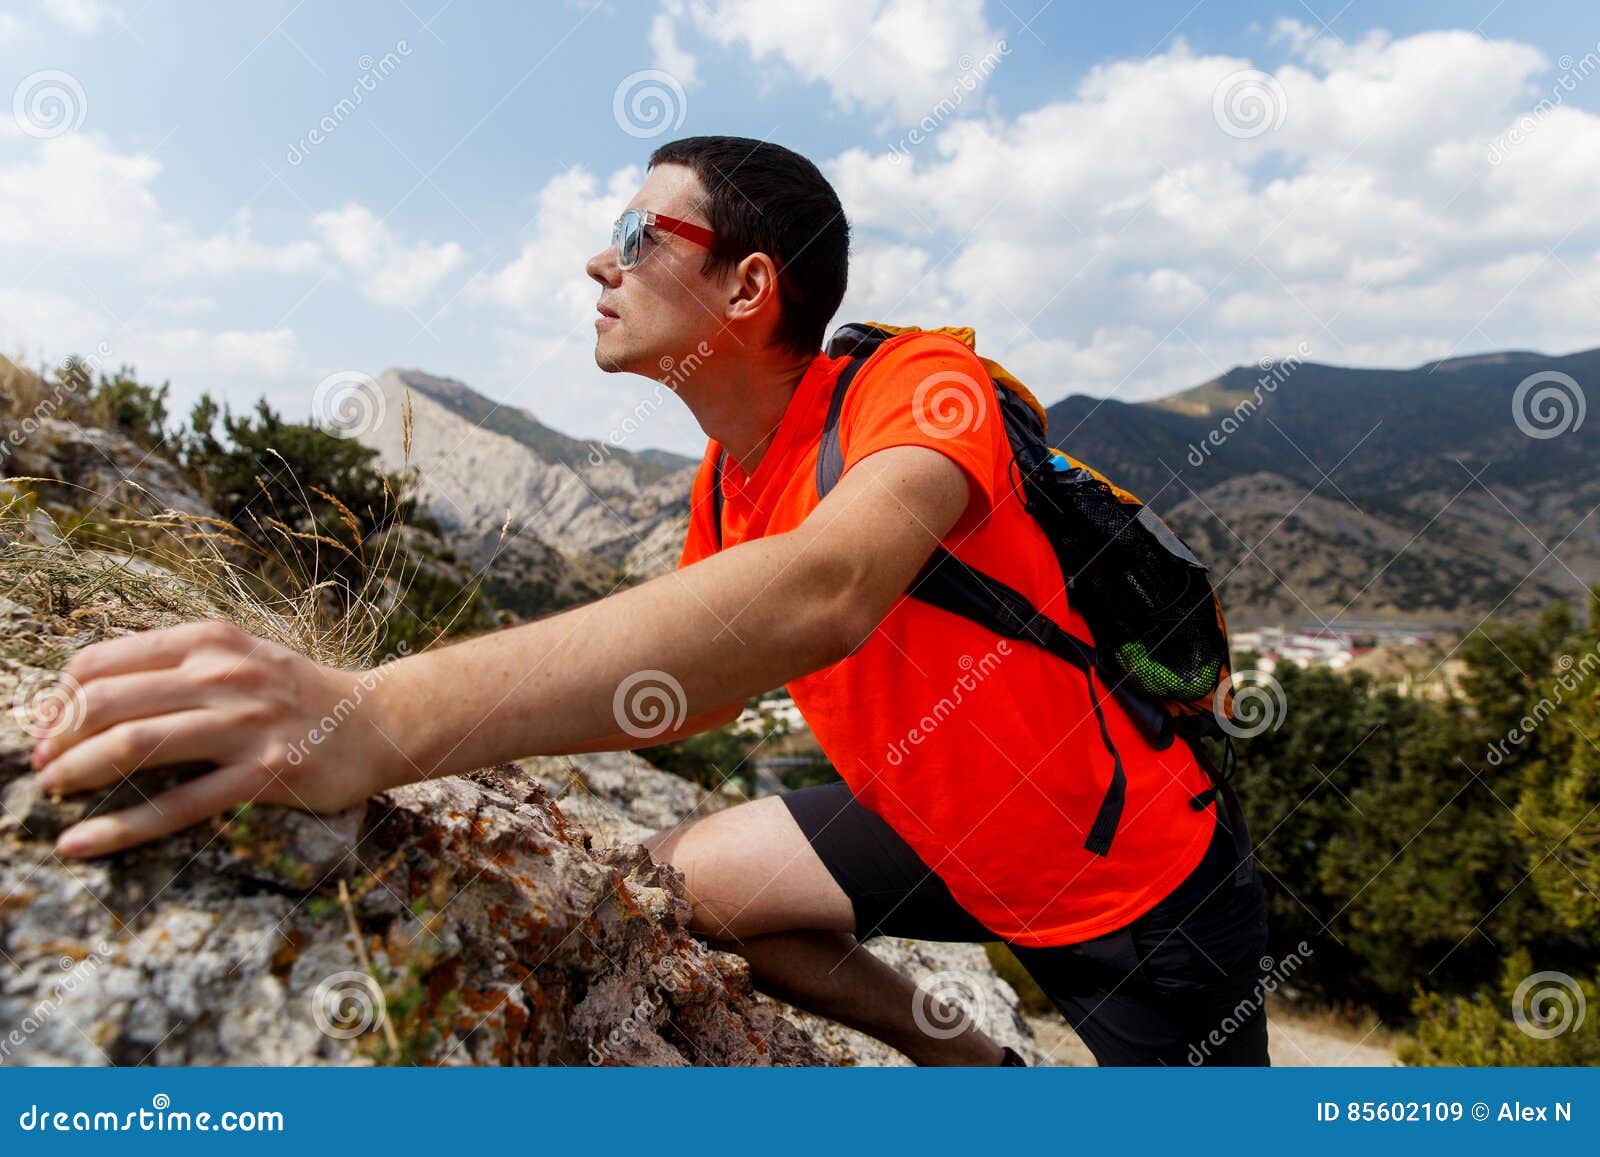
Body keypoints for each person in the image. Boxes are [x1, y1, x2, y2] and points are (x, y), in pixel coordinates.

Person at [29, 135, 1269, 1067]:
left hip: (1131, 883)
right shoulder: (725, 479)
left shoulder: (916, 384)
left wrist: (375, 715)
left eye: (636, 232)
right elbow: (688, 689)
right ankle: (975, 1063)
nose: (597, 259)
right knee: (679, 884)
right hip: (935, 820)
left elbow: (828, 585)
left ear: (749, 287)